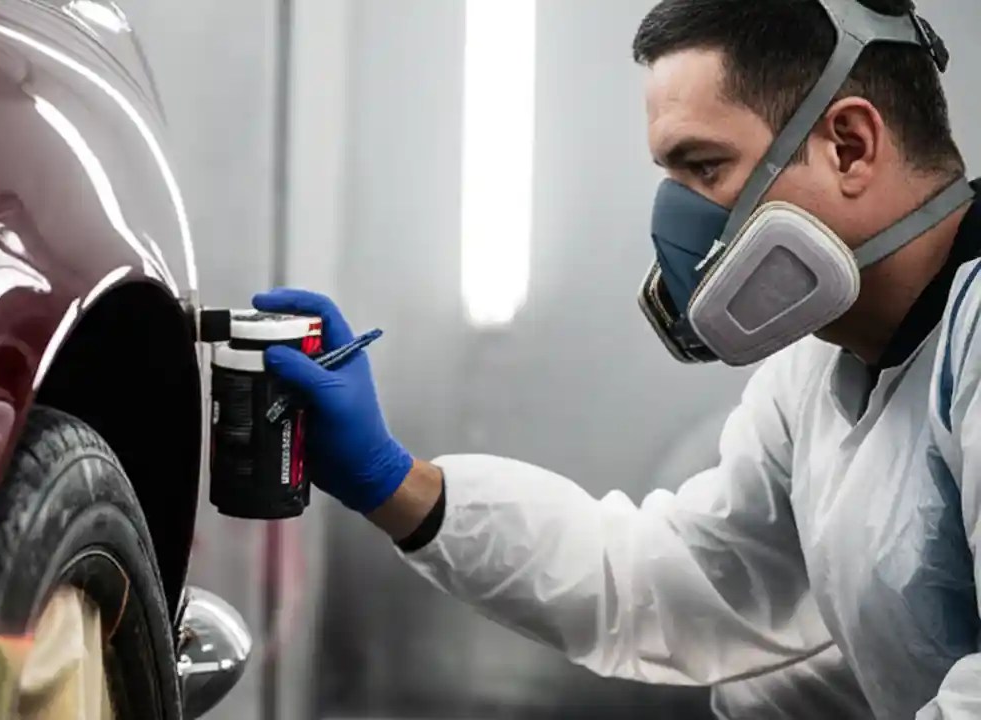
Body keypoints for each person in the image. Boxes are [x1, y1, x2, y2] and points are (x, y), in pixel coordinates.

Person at [253, 0, 981, 718]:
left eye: (705, 167)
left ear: (849, 146)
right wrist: (394, 482)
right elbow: (671, 583)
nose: (680, 225)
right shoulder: (817, 372)